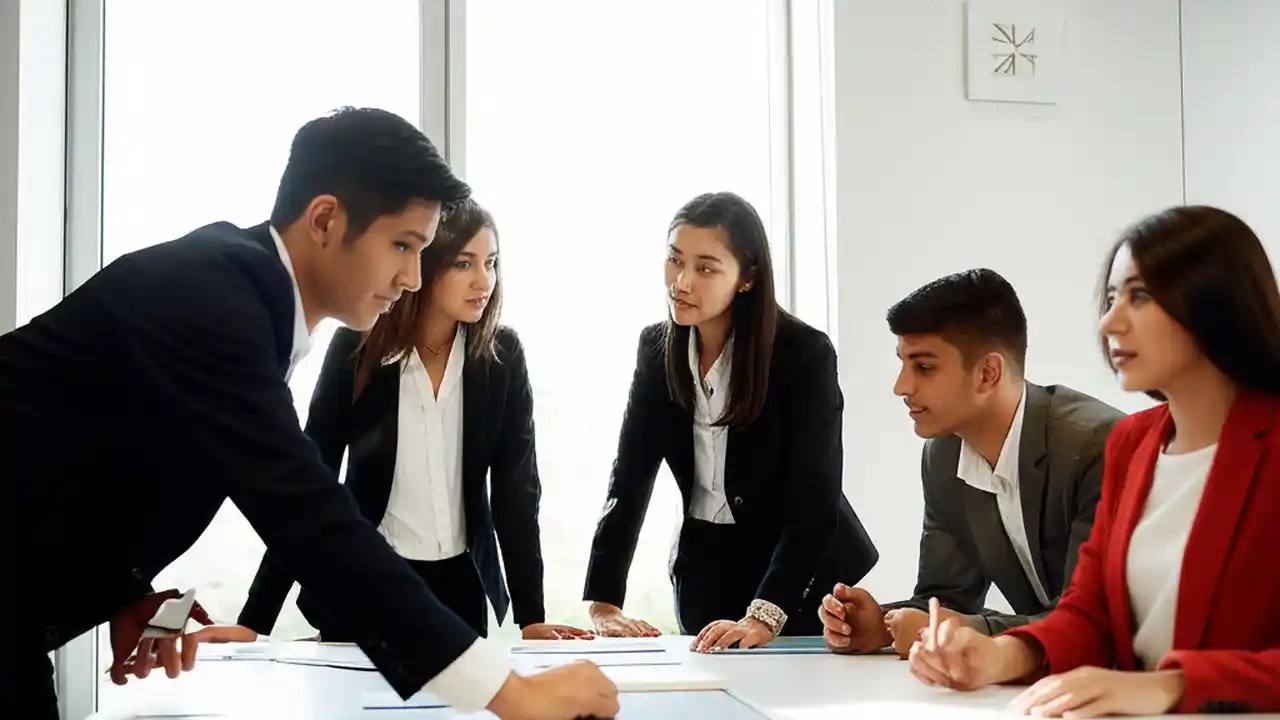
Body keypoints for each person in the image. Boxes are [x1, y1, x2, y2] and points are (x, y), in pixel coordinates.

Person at [1, 107, 617, 720]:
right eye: (403, 246)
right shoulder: (215, 300)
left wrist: (122, 592)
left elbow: (91, 452)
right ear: (324, 220)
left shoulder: (246, 299)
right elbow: (304, 509)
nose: (410, 277)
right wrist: (511, 693)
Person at [908, 206, 1280, 716]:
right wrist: (998, 656)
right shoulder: (1134, 442)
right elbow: (1089, 613)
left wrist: (1171, 686)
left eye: (1139, 296)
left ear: (1214, 302)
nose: (1109, 321)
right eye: (1110, 299)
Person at [200, 199, 592, 643]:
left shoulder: (500, 357)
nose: (484, 281)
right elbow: (310, 479)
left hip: (459, 589)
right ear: (424, 264)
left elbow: (516, 489)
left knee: (452, 713)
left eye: (492, 263)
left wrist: (531, 617)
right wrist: (256, 621)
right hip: (366, 583)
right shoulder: (357, 348)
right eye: (464, 263)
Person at [582, 191, 878, 651]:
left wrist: (765, 616)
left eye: (705, 268)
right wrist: (604, 601)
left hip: (798, 577)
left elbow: (814, 498)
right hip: (704, 568)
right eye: (674, 260)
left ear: (747, 279)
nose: (682, 281)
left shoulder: (803, 354)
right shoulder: (657, 349)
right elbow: (630, 474)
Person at [818, 270, 1122, 657]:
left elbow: (1091, 622)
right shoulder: (945, 454)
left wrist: (961, 629)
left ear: (988, 373)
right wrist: (881, 625)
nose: (901, 386)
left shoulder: (1098, 444)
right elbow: (946, 598)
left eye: (924, 367)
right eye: (903, 363)